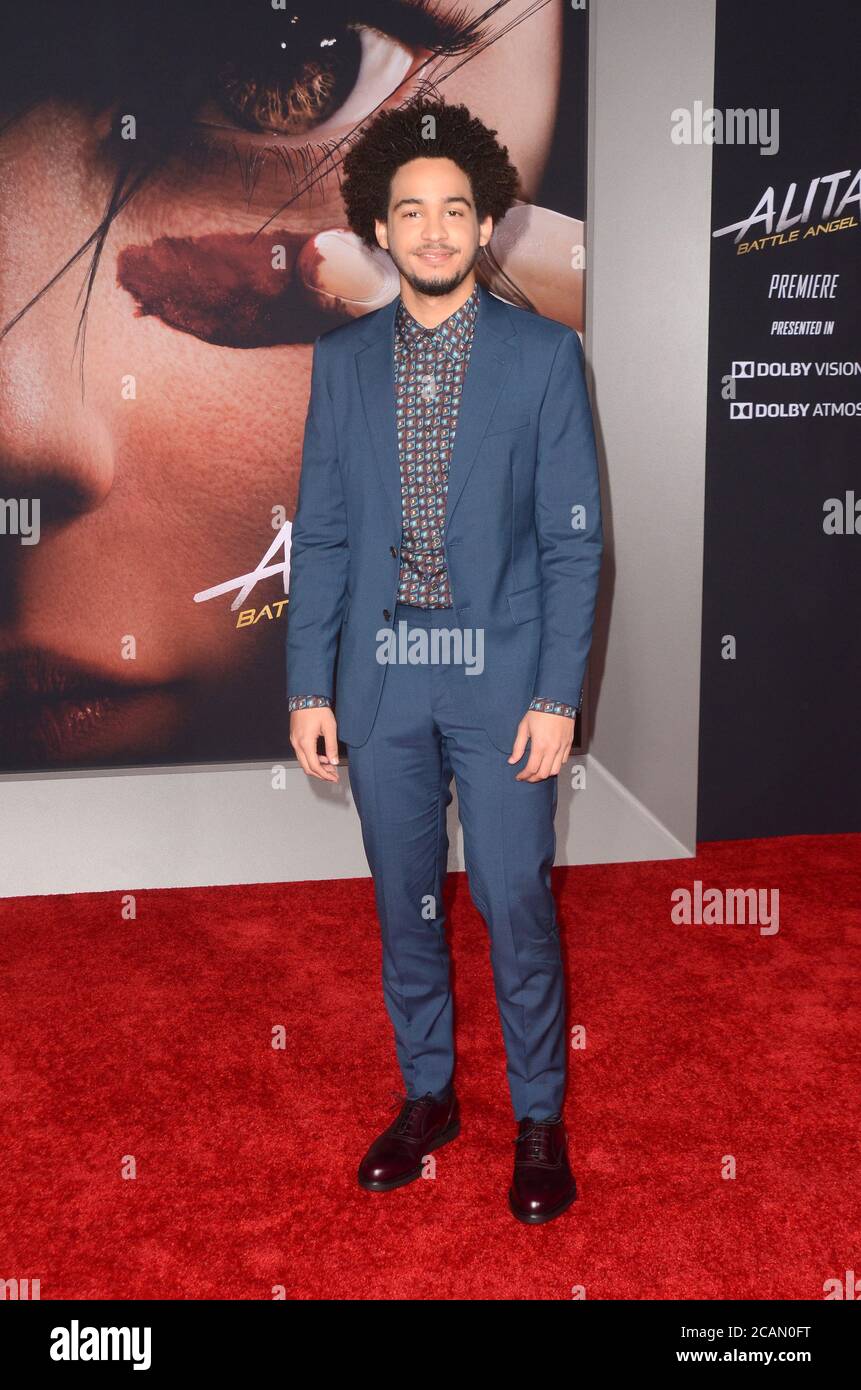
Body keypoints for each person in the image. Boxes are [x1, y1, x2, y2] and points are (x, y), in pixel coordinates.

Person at [287, 98, 603, 1224]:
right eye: (410, 211)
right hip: (381, 677)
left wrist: (559, 693)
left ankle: (538, 1117)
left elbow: (575, 541)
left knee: (515, 899)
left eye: (454, 210)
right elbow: (322, 534)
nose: (432, 231)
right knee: (404, 901)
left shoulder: (543, 357)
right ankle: (429, 1095)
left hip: (505, 677)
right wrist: (310, 685)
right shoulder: (341, 363)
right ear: (378, 224)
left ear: (486, 224)